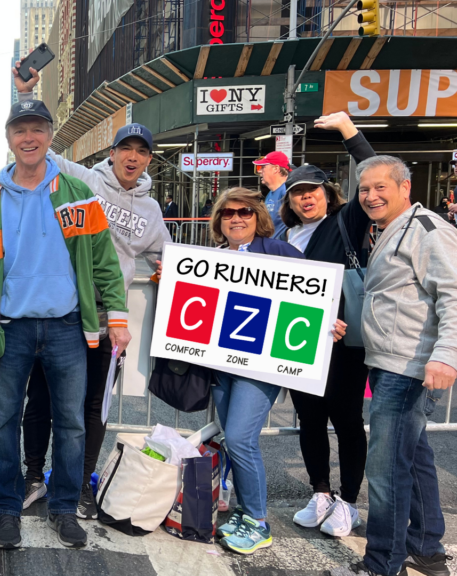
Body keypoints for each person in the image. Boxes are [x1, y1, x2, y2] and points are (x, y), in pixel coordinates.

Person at [0, 98, 130, 550]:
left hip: (66, 328)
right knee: (3, 424)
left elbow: (105, 264)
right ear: (9, 139)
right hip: (10, 329)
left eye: (37, 128)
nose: (28, 137)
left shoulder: (78, 194)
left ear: (50, 136)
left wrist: (117, 318)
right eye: (20, 130)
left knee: (72, 424)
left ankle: (63, 508)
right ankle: (8, 510)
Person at [13, 64, 170, 519]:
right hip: (64, 313)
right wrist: (27, 91)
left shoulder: (153, 209)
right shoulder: (83, 180)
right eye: (126, 148)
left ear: (147, 160)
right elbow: (37, 144)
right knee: (40, 400)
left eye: (142, 151)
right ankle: (33, 477)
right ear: (113, 152)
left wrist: (167, 273)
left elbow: (169, 258)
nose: (133, 157)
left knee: (92, 408)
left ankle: (80, 484)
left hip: (108, 321)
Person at [173, 188, 342, 556]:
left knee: (239, 438)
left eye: (245, 213)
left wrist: (332, 320)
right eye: (228, 213)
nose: (236, 218)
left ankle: (258, 521)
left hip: (260, 367)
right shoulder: (214, 258)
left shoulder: (278, 251)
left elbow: (319, 292)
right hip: (221, 365)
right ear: (219, 220)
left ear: (257, 217)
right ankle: (244, 513)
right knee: (233, 438)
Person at [331, 156, 457, 576]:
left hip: (408, 366)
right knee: (414, 460)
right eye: (364, 189)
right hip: (393, 361)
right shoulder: (389, 229)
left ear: (406, 188)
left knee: (385, 471)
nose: (370, 196)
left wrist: (446, 355)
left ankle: (382, 563)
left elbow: (453, 294)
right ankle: (426, 549)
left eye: (381, 187)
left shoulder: (427, 230)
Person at [279, 112, 376, 538]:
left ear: (327, 192)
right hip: (300, 343)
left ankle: (349, 501)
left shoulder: (347, 222)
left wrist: (348, 131)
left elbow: (375, 173)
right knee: (310, 419)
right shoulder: (284, 237)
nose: (305, 198)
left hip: (343, 344)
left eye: (312, 190)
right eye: (297, 192)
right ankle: (320, 491)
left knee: (348, 420)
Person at [254, 151, 291, 238]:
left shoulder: (287, 192)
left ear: (276, 169)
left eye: (263, 167)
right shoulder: (271, 193)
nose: (259, 171)